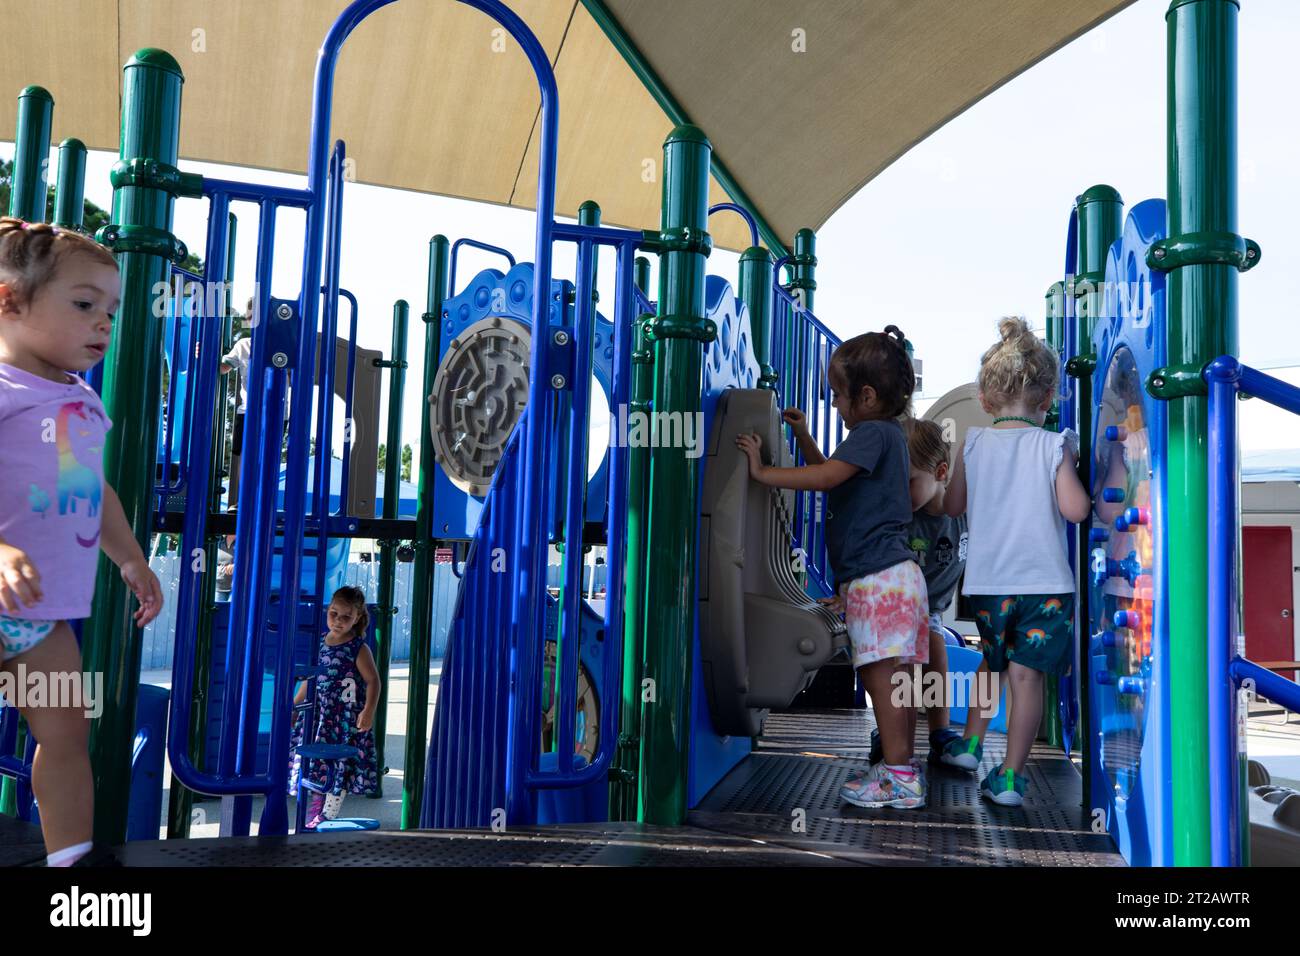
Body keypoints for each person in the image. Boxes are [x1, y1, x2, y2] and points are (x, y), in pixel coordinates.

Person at [0, 218, 163, 865]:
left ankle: (70, 866)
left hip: (41, 622)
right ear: (10, 301)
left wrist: (129, 557)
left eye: (112, 310)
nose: (104, 322)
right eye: (84, 304)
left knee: (68, 734)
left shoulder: (82, 402)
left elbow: (94, 490)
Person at [737, 326, 928, 809]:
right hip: (895, 581)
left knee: (881, 681)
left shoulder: (871, 433)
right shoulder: (885, 438)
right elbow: (835, 473)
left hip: (880, 582)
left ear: (867, 396)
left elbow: (824, 478)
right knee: (896, 679)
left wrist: (763, 473)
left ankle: (899, 775)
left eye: (840, 397)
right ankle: (901, 768)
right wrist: (801, 435)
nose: (838, 406)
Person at [940, 317, 1091, 806]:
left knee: (990, 662)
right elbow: (1076, 510)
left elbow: (953, 505)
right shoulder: (1053, 445)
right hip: (1045, 585)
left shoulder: (974, 444)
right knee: (1027, 677)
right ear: (1047, 399)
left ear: (984, 400)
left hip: (988, 584)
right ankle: (1009, 777)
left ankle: (969, 745)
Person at [867, 417, 968, 766]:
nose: (898, 492)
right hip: (898, 605)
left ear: (941, 473)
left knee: (935, 652)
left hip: (933, 605)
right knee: (901, 664)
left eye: (908, 482)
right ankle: (892, 730)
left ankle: (939, 731)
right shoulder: (899, 514)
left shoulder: (962, 508)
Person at [288, 585, 381, 829]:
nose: (338, 621)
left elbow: (373, 681)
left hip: (343, 717)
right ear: (327, 611)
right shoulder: (320, 643)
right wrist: (295, 707)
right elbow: (311, 680)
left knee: (339, 764)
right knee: (316, 762)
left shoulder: (358, 648)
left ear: (357, 618)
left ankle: (328, 813)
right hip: (320, 715)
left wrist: (368, 710)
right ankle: (315, 808)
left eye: (346, 617)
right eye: (333, 614)